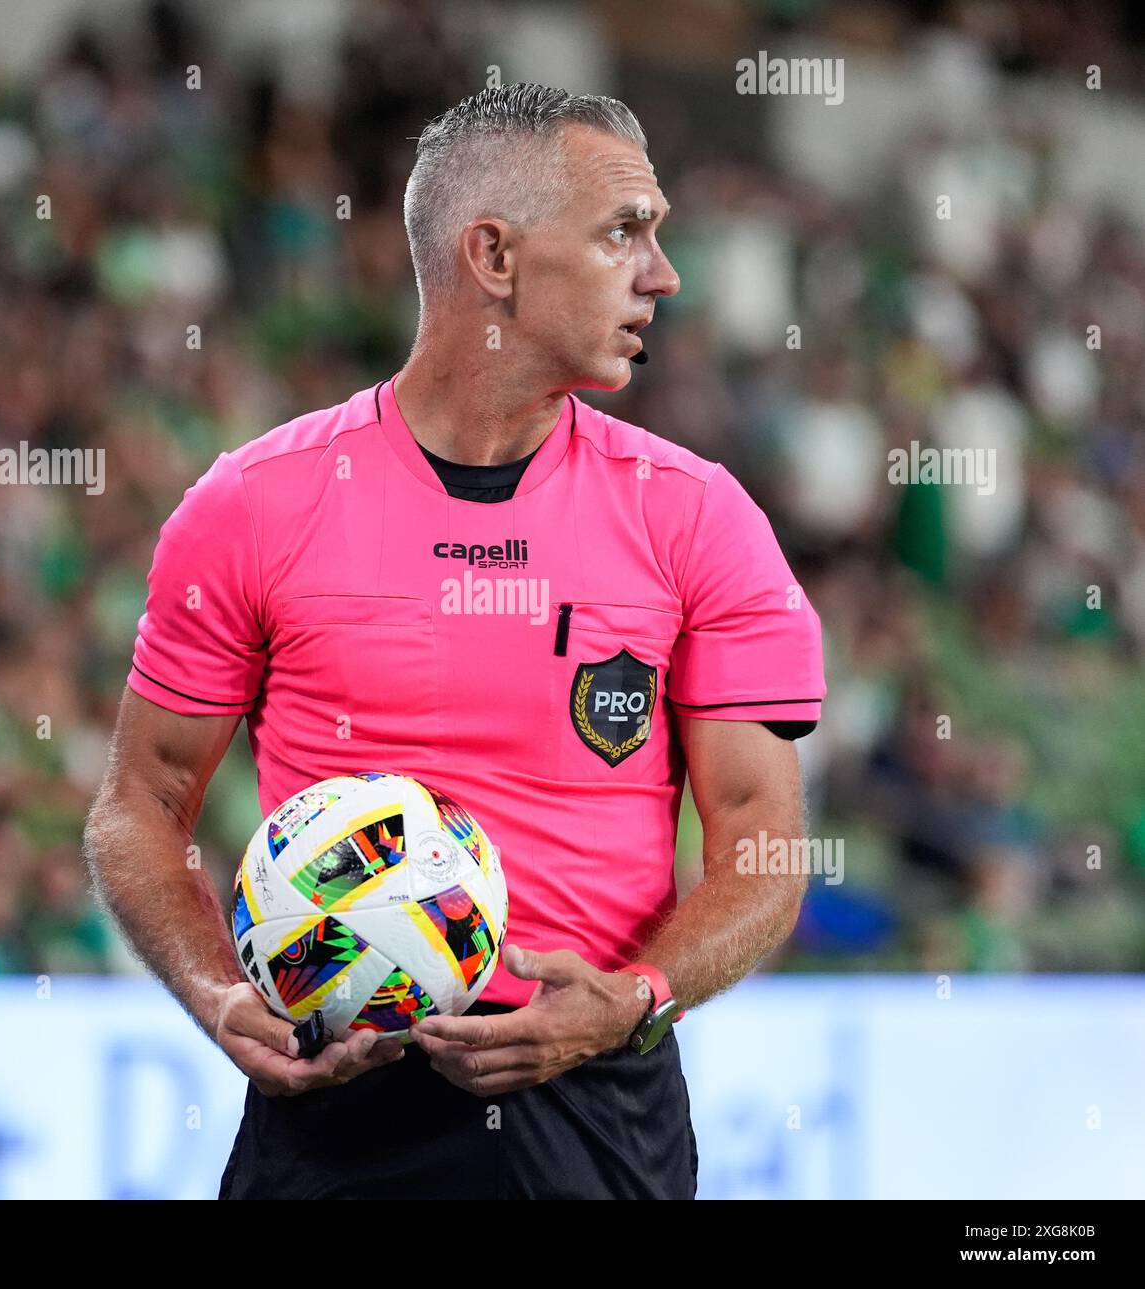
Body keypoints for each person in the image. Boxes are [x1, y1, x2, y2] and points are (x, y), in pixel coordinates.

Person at [84, 83, 826, 1200]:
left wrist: (633, 998)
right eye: (625, 231)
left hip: (594, 1102)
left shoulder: (697, 515)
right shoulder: (253, 505)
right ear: (494, 255)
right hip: (330, 1099)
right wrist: (219, 994)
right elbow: (137, 805)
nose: (663, 274)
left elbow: (762, 839)